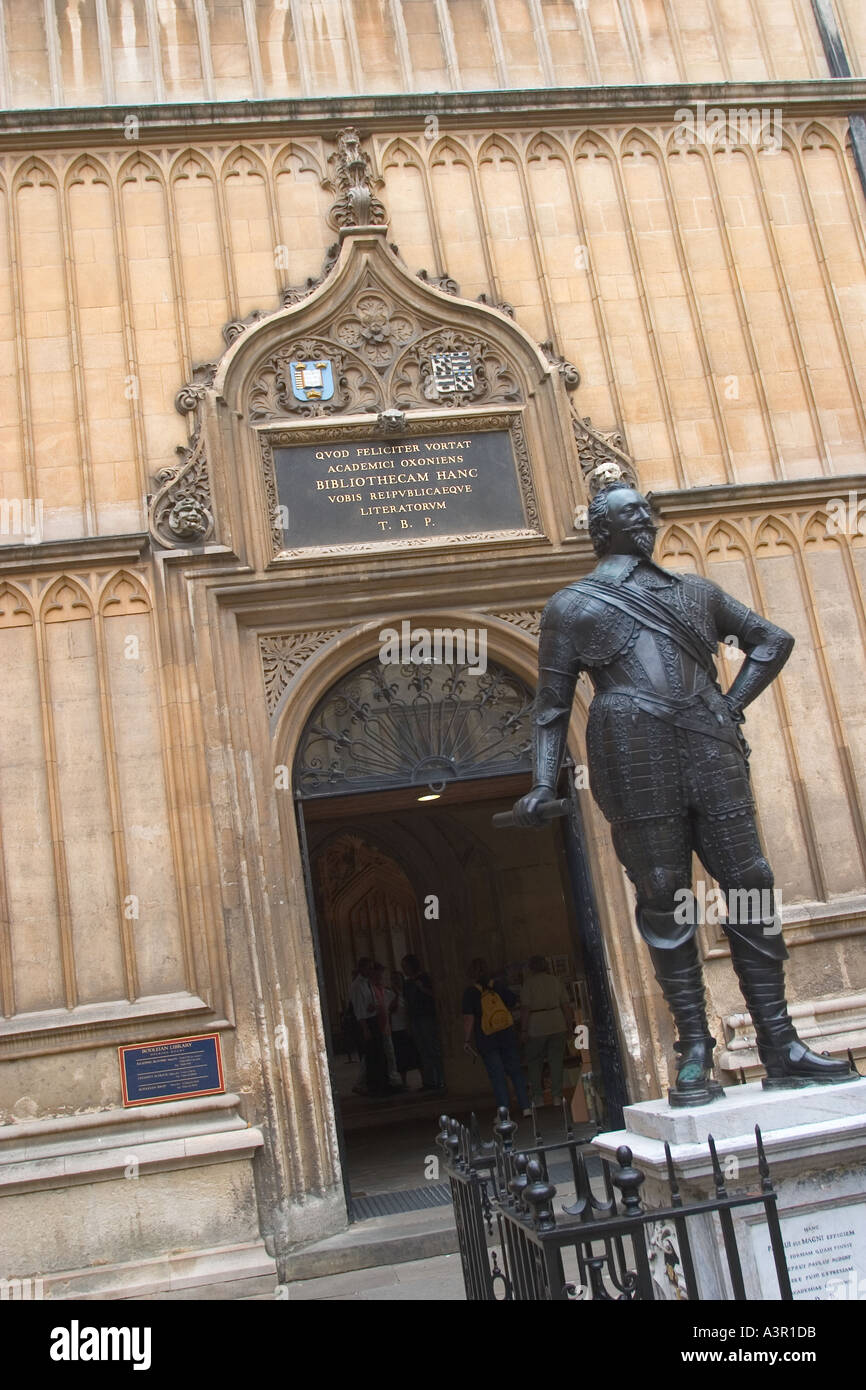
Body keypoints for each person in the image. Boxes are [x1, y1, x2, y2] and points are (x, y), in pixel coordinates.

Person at [513, 481, 855, 1103]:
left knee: (748, 879)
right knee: (664, 893)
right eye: (628, 515)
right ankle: (694, 1047)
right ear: (601, 530)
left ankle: (779, 1040)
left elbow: (772, 641)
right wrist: (541, 782)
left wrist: (731, 707)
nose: (644, 521)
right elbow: (551, 707)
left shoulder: (695, 591)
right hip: (631, 752)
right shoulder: (572, 606)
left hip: (708, 743)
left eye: (646, 511)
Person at [462, 957, 531, 1116]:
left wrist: (466, 1040)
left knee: (497, 1075)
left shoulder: (470, 992)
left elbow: (469, 1018)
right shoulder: (498, 986)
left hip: (486, 1038)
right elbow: (514, 1002)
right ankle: (525, 1106)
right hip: (506, 1034)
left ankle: (504, 1111)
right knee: (515, 1070)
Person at [520, 956, 573, 1106]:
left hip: (536, 1025)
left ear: (531, 968)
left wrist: (523, 1030)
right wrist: (569, 1025)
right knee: (556, 1061)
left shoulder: (528, 984)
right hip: (557, 1022)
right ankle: (557, 1096)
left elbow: (525, 1009)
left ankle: (538, 1097)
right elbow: (566, 1005)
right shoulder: (556, 981)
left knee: (534, 1061)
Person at [349, 956, 398, 1097]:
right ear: (362, 968)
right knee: (371, 1056)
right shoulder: (357, 986)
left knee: (379, 1054)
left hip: (373, 1019)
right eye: (368, 968)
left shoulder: (367, 983)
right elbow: (359, 1010)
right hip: (366, 1023)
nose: (371, 970)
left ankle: (381, 1084)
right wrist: (365, 1029)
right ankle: (374, 1087)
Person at [401, 954, 445, 1091]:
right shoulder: (407, 983)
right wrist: (408, 1022)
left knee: (433, 1049)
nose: (404, 970)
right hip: (415, 1019)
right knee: (422, 1050)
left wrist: (422, 988)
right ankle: (429, 1081)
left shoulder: (425, 978)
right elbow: (407, 1003)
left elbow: (436, 995)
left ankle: (441, 1080)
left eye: (406, 966)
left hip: (427, 1017)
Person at [372, 962, 404, 1090]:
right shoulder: (375, 990)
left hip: (386, 1026)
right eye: (379, 975)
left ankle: (394, 1080)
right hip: (382, 1026)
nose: (381, 978)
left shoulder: (384, 990)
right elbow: (388, 1009)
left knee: (391, 1055)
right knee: (387, 1055)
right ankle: (391, 1081)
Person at [389, 969, 420, 1087]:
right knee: (401, 1057)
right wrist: (396, 995)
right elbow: (391, 1009)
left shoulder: (407, 991)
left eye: (398, 979)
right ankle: (404, 1082)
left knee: (416, 1054)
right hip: (397, 1028)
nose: (396, 981)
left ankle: (424, 1078)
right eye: (393, 979)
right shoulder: (389, 993)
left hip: (410, 1026)